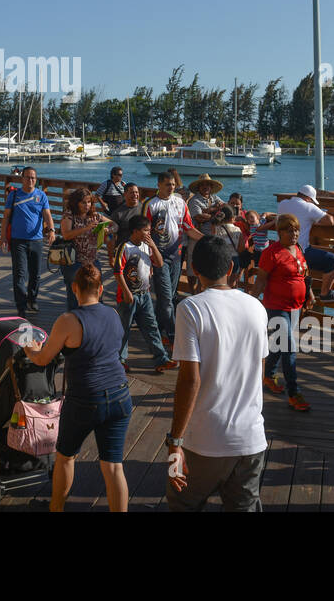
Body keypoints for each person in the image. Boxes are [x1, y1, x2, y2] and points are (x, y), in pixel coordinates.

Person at [166, 235, 269, 511]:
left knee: (183, 502)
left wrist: (175, 440)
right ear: (231, 269)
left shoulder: (190, 308)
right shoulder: (256, 307)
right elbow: (259, 371)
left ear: (194, 269)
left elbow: (190, 380)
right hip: (250, 437)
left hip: (205, 439)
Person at [23, 264, 132, 512]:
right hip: (120, 395)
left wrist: (30, 348)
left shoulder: (68, 320)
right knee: (114, 467)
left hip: (85, 399)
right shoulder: (114, 314)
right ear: (101, 289)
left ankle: (56, 508)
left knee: (66, 457)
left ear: (74, 289)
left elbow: (42, 359)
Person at [255, 213, 313, 411]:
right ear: (279, 232)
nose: (294, 233)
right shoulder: (271, 253)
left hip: (295, 306)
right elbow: (261, 279)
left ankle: (268, 375)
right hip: (276, 307)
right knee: (289, 347)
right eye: (289, 229)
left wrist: (310, 294)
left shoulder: (297, 249)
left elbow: (304, 274)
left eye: (296, 229)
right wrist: (253, 302)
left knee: (279, 345)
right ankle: (294, 392)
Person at [141, 171, 205, 351]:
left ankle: (159, 329)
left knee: (168, 297)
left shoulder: (180, 203)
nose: (171, 188)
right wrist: (147, 258)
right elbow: (144, 233)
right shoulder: (150, 204)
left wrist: (206, 239)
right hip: (158, 257)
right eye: (168, 185)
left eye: (173, 185)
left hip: (176, 255)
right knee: (167, 298)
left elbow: (188, 228)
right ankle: (172, 334)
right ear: (159, 185)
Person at [113, 216, 176, 374]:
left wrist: (154, 246)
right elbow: (117, 271)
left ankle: (161, 359)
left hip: (145, 294)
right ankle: (119, 360)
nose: (149, 233)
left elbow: (159, 263)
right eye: (145, 230)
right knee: (124, 329)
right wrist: (126, 292)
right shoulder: (125, 247)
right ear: (135, 231)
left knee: (151, 327)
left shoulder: (147, 246)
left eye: (149, 230)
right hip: (129, 295)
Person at [265, 185, 334, 302]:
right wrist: (315, 215)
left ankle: (307, 292)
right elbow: (330, 221)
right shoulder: (308, 207)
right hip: (300, 252)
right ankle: (325, 293)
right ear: (309, 198)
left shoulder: (283, 203)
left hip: (282, 250)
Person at [0, 167, 55, 316]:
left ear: (36, 180)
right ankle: (21, 305)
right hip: (18, 240)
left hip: (36, 240)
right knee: (19, 274)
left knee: (35, 274)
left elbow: (47, 215)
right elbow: (5, 217)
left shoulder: (41, 196)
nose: (30, 180)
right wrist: (3, 236)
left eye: (33, 178)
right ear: (22, 178)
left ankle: (32, 299)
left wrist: (51, 230)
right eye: (27, 177)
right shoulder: (14, 195)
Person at [58, 188, 113, 312]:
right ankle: (74, 322)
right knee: (74, 295)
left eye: (89, 202)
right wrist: (86, 228)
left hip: (92, 260)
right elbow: (66, 235)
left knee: (97, 293)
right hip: (73, 261)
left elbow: (115, 225)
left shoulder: (95, 216)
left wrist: (107, 231)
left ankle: (97, 320)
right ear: (76, 202)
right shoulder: (69, 215)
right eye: (83, 202)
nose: (87, 205)